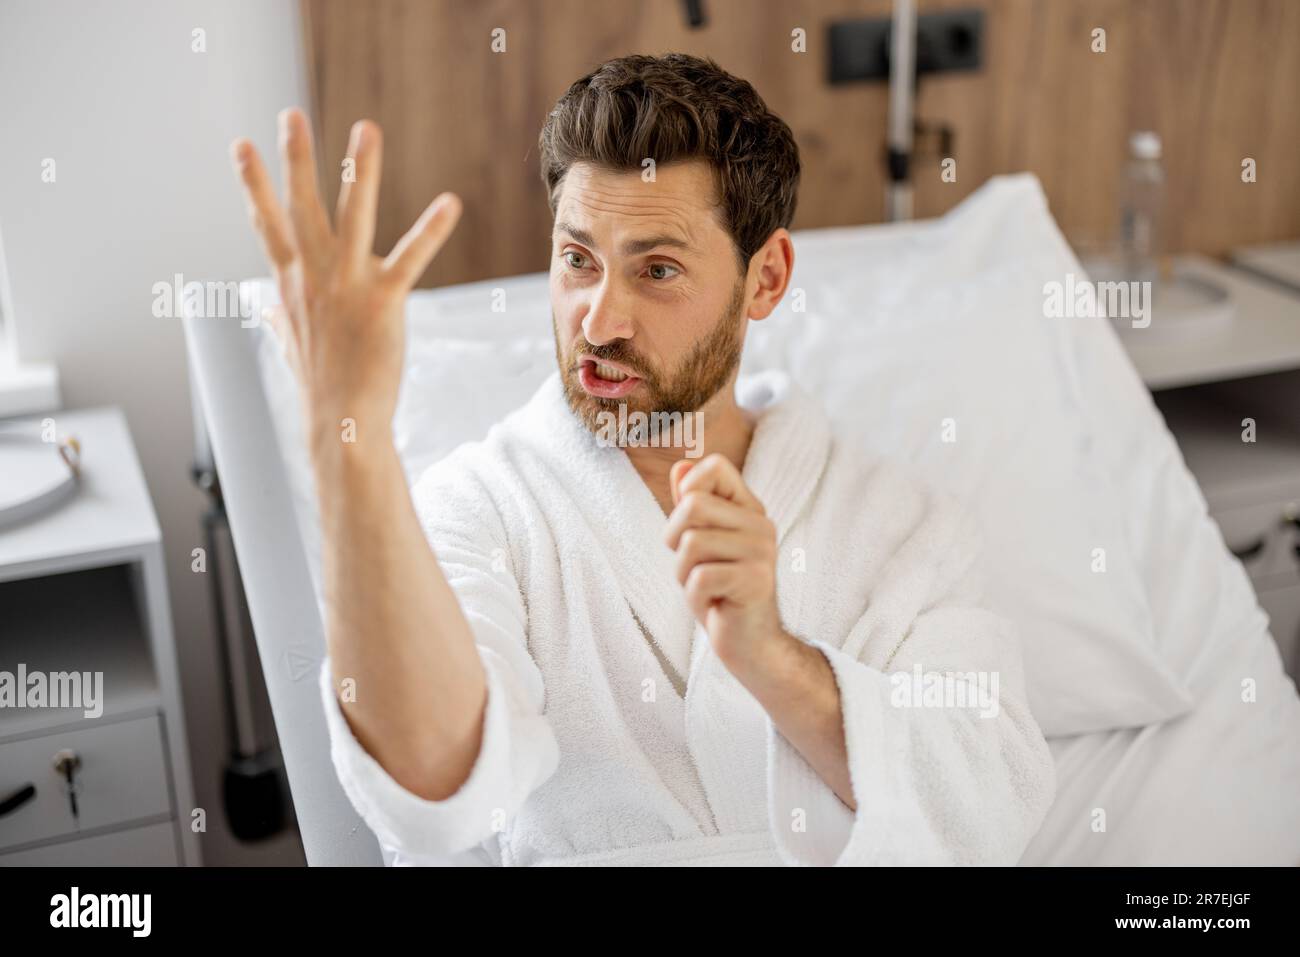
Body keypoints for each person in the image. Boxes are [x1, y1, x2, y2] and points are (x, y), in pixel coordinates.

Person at [229, 53, 1055, 866]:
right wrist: (350, 444)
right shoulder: (479, 508)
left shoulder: (904, 524)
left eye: (656, 270)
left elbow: (990, 801)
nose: (598, 321)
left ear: (765, 278)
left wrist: (770, 658)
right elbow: (434, 788)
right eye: (577, 260)